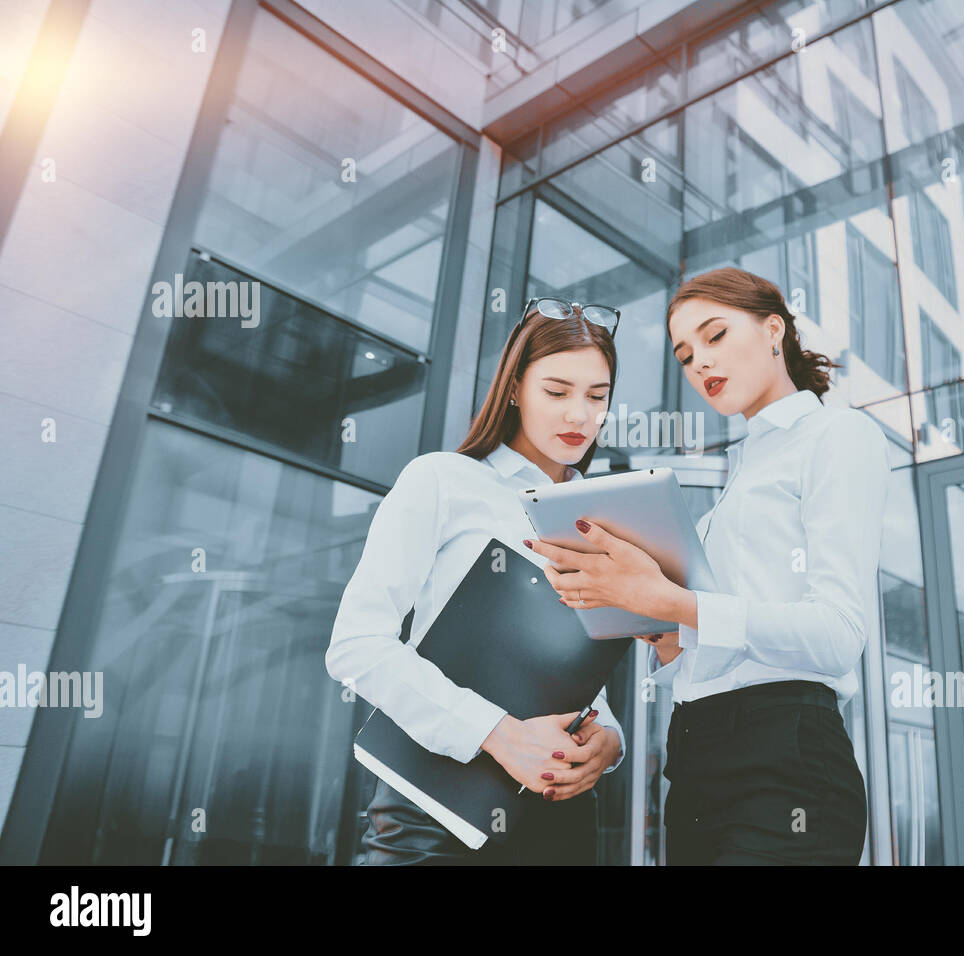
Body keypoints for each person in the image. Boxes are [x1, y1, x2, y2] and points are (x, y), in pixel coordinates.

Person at [527, 267, 891, 865]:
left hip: (786, 758)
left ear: (774, 329)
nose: (699, 363)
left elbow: (839, 636)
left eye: (716, 335)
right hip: (696, 753)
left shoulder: (837, 435)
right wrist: (659, 630)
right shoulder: (740, 473)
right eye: (685, 353)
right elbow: (712, 642)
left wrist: (667, 601)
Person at [327, 296, 629, 865]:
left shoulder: (602, 522)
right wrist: (498, 733)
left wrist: (608, 741)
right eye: (557, 391)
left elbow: (576, 670)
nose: (579, 416)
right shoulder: (443, 481)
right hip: (435, 815)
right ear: (514, 388)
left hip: (556, 821)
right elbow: (356, 647)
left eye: (597, 396)